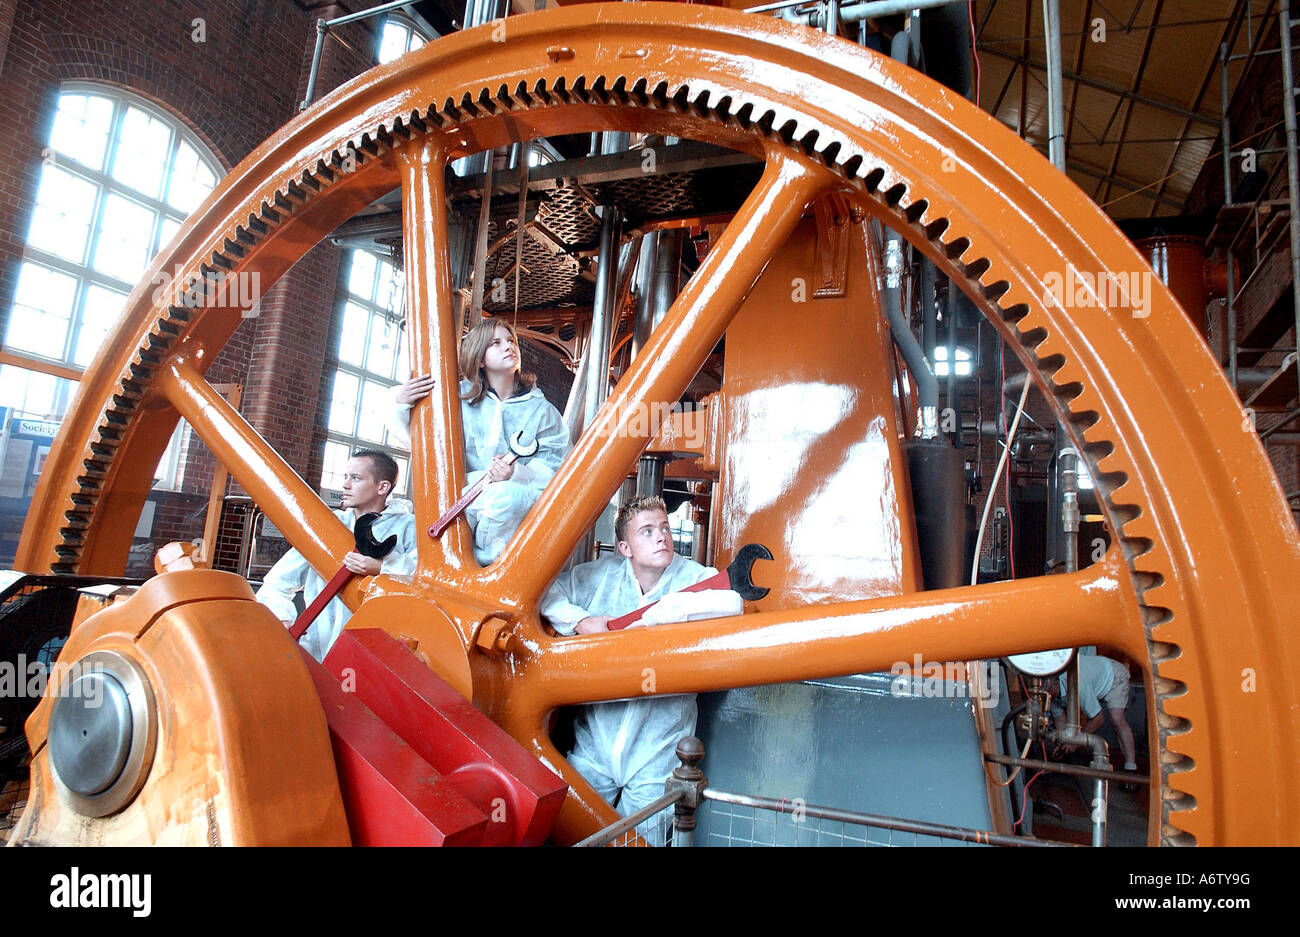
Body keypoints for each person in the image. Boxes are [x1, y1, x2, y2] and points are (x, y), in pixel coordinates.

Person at [540, 495, 743, 845]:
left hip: (657, 754)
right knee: (570, 832)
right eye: (647, 532)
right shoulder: (597, 578)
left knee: (639, 841)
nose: (662, 537)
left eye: (664, 527)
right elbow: (544, 593)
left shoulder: (694, 579)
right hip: (594, 748)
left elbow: (732, 603)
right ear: (624, 547)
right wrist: (580, 621)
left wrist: (659, 617)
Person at [392, 317, 569, 566]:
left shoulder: (542, 411)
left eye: (510, 341)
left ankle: (486, 567)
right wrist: (400, 402)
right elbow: (421, 441)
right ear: (479, 358)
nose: (509, 347)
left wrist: (515, 473)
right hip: (457, 506)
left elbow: (558, 467)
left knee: (508, 498)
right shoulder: (455, 399)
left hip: (514, 523)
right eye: (495, 343)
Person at [255, 449, 417, 663]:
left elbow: (426, 583)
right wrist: (283, 618)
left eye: (356, 478)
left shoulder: (408, 528)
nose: (345, 485)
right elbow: (277, 582)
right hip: (316, 654)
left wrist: (382, 567)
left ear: (383, 487)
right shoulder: (328, 527)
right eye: (346, 477)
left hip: (378, 659)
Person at [1050, 653, 1139, 783]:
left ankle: (1131, 768)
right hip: (1094, 677)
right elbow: (1060, 719)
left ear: (1056, 684)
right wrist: (1063, 744)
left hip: (1113, 675)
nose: (1048, 694)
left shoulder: (1078, 684)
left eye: (1050, 690)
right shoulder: (1050, 693)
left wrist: (1074, 741)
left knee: (1116, 718)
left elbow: (1098, 719)